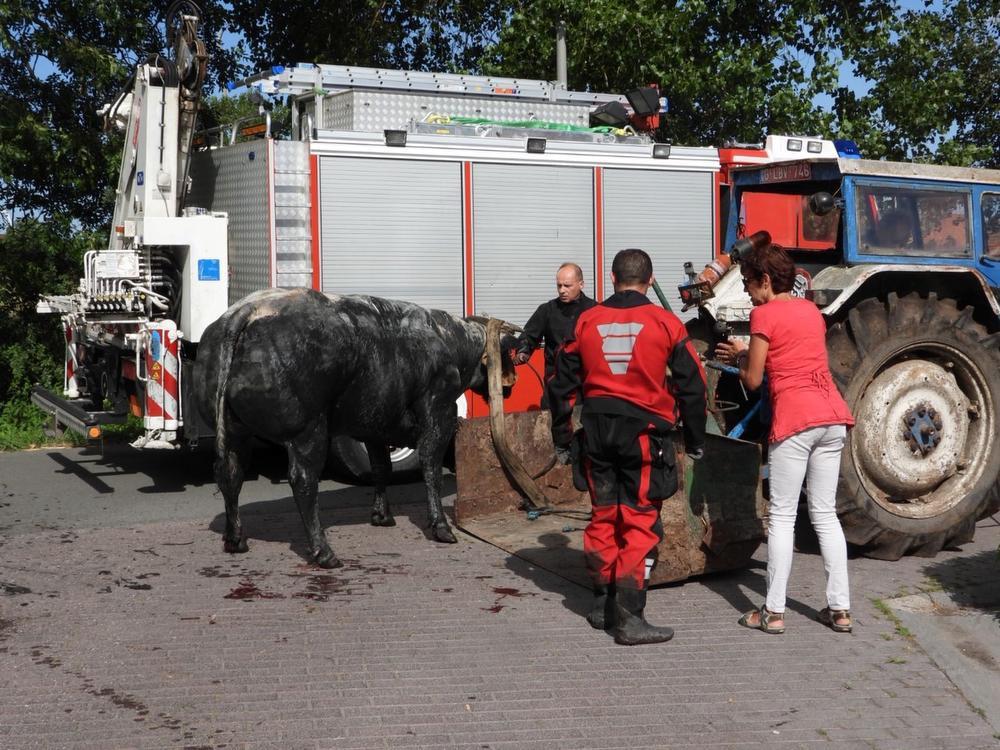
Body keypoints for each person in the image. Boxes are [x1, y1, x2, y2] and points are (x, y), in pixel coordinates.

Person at [548, 248, 707, 646]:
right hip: (642, 436)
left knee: (604, 516)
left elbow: (561, 382)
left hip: (596, 432)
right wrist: (696, 440)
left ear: (612, 279)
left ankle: (601, 605)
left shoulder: (586, 320)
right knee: (638, 521)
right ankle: (630, 619)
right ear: (649, 280)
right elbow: (693, 386)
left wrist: (563, 436)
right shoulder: (667, 323)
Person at [715, 241, 855, 635]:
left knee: (782, 517)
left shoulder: (763, 314)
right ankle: (840, 610)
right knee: (825, 515)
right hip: (831, 415)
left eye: (747, 281)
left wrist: (739, 359)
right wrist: (749, 352)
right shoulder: (811, 311)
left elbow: (755, 380)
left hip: (795, 420)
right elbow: (793, 354)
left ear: (764, 280)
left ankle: (773, 612)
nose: (745, 289)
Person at [515, 263, 596, 403]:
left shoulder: (595, 311)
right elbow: (528, 336)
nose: (562, 290)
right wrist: (523, 350)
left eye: (567, 285)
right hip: (555, 388)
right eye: (559, 286)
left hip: (586, 389)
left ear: (581, 284)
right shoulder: (547, 310)